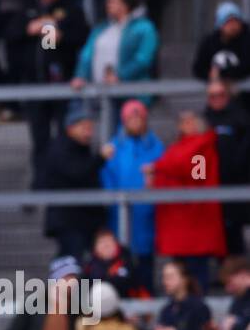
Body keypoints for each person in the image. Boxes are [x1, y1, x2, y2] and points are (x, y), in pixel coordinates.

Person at [8, 0, 89, 178]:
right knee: (40, 141)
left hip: (62, 87)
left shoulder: (70, 8)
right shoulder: (28, 8)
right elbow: (10, 34)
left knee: (65, 138)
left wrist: (61, 35)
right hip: (34, 86)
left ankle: (63, 182)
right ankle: (41, 184)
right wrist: (29, 28)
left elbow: (81, 36)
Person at [149, 111, 226, 293]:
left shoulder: (203, 147)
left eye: (190, 121)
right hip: (180, 221)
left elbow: (197, 176)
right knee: (180, 273)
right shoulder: (178, 147)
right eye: (183, 121)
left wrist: (159, 167)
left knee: (197, 274)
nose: (185, 125)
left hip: (196, 219)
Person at [100, 98, 164, 291]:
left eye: (139, 117)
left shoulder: (156, 146)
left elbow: (165, 173)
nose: (135, 122)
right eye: (131, 118)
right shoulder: (114, 147)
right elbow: (106, 175)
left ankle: (147, 303)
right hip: (119, 214)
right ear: (124, 120)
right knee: (121, 264)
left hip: (148, 214)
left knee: (146, 263)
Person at [38, 103, 106, 261]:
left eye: (90, 127)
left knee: (74, 261)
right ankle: (60, 286)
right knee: (71, 261)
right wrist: (100, 159)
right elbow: (77, 173)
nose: (89, 132)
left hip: (82, 220)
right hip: (69, 220)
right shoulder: (61, 149)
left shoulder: (81, 148)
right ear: (70, 128)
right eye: (84, 127)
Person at [71, 0, 158, 111]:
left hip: (132, 96)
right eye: (108, 1)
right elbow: (86, 55)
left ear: (126, 4)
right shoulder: (100, 29)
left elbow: (143, 59)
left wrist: (120, 76)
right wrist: (80, 75)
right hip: (100, 95)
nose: (108, 4)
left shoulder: (144, 28)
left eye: (113, 1)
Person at [4, 255, 79, 330]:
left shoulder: (78, 307)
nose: (72, 282)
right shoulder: (35, 303)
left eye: (74, 277)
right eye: (67, 277)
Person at [204, 79, 250, 255]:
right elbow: (196, 153)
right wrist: (198, 179)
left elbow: (245, 150)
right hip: (212, 188)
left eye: (220, 95)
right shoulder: (204, 120)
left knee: (235, 232)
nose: (216, 99)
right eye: (212, 96)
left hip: (237, 184)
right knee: (219, 233)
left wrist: (238, 172)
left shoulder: (241, 118)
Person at [151, 259, 214, 330]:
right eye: (164, 277)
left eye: (170, 277)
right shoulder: (166, 309)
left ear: (184, 279)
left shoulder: (199, 307)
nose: (165, 281)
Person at [192, 1, 250, 84]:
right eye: (229, 21)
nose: (233, 26)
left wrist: (221, 74)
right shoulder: (209, 42)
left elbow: (246, 67)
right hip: (216, 90)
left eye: (236, 21)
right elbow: (198, 68)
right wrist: (211, 76)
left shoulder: (246, 40)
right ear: (220, 23)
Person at [81, 228, 148, 299]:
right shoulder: (89, 265)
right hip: (96, 304)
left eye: (109, 241)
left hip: (126, 304)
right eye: (102, 242)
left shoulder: (127, 260)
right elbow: (84, 290)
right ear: (96, 247)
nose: (106, 245)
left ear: (116, 244)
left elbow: (132, 284)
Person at [215, 255, 250, 330]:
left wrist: (235, 325)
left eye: (230, 282)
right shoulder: (238, 301)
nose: (228, 289)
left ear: (243, 275)